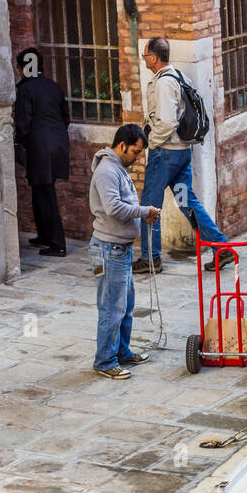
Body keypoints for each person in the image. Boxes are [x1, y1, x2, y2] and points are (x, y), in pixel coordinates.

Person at [136, 37, 233, 274]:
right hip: (182, 153)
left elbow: (167, 121)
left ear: (154, 58)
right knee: (186, 201)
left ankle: (151, 257)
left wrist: (152, 143)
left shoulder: (163, 83)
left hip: (165, 154)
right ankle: (221, 246)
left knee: (150, 206)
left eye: (145, 55)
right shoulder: (179, 76)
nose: (144, 59)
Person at [88, 124, 159, 379]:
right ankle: (105, 361)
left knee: (126, 305)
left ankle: (121, 351)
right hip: (108, 251)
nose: (137, 158)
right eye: (135, 152)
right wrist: (145, 211)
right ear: (121, 146)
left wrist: (143, 216)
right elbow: (114, 208)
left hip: (120, 249)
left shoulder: (119, 168)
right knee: (111, 307)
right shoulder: (108, 171)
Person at [13, 48, 71, 257]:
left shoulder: (25, 91)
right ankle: (45, 236)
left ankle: (58, 243)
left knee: (46, 194)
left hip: (40, 147)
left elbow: (23, 124)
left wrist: (20, 144)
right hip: (58, 144)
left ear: (23, 68)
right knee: (40, 191)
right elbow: (65, 118)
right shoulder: (53, 87)